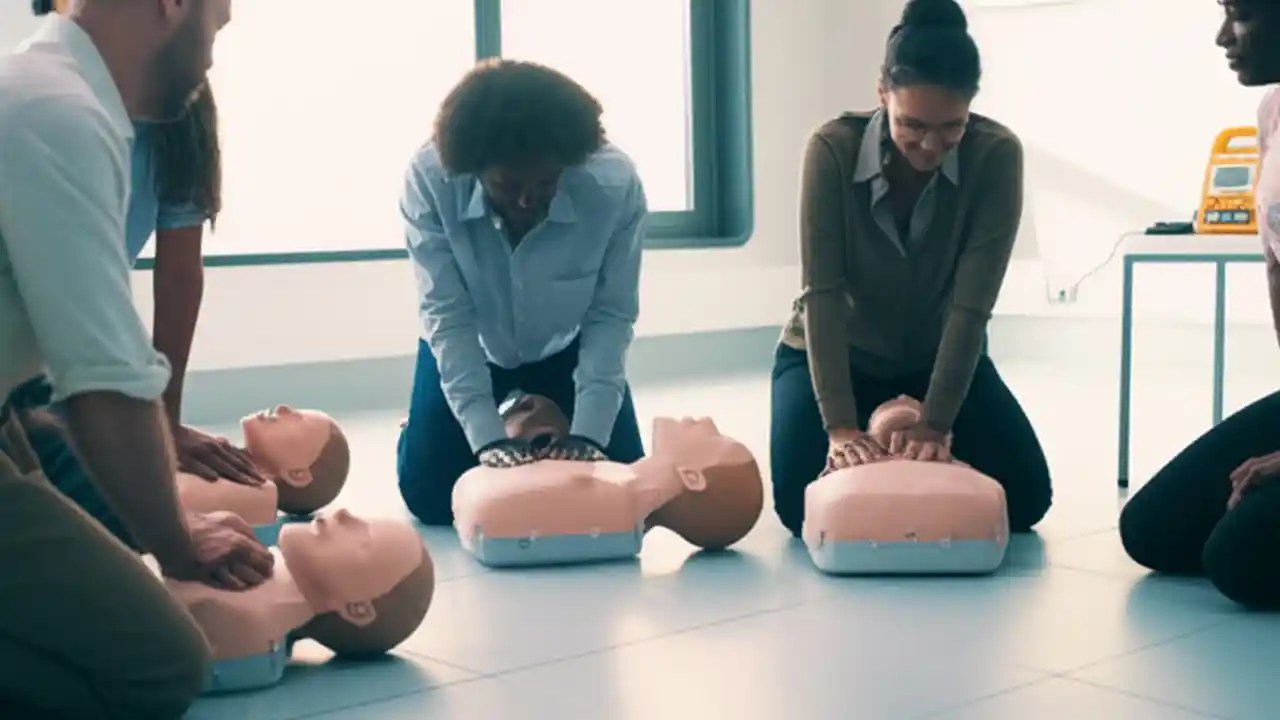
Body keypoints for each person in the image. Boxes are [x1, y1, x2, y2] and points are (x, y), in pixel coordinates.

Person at [0, 2, 275, 717]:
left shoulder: (51, 90)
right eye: (219, 14)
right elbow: (104, 382)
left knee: (111, 516)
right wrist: (177, 541)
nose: (224, 28)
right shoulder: (56, 112)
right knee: (159, 663)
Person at [768, 0, 1052, 538]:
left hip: (932, 354)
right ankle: (877, 429)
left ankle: (901, 432)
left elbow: (972, 307)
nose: (930, 145)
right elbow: (823, 294)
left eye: (951, 127)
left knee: (1027, 499)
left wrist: (936, 422)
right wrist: (841, 428)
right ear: (882, 95)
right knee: (799, 506)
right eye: (912, 124)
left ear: (972, 106)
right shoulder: (831, 148)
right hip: (834, 354)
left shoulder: (996, 156)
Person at [17, 0, 262, 554]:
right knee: (129, 530)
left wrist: (167, 422)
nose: (210, 60)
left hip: (42, 376)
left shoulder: (176, 116)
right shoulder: (56, 109)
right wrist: (174, 536)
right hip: (40, 377)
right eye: (215, 30)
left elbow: (178, 276)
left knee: (130, 519)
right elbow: (98, 367)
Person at [397, 59, 648, 526]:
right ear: (474, 170)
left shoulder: (613, 184)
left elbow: (611, 316)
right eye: (507, 185)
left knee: (619, 479)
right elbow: (446, 316)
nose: (528, 200)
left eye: (546, 183)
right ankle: (418, 424)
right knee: (430, 497)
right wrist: (486, 439)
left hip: (565, 346)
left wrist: (590, 434)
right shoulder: (429, 180)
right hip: (473, 343)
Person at [1119, 0, 1280, 610]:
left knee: (1237, 559)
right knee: (1152, 531)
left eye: (1238, 14)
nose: (1222, 36)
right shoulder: (1273, 113)